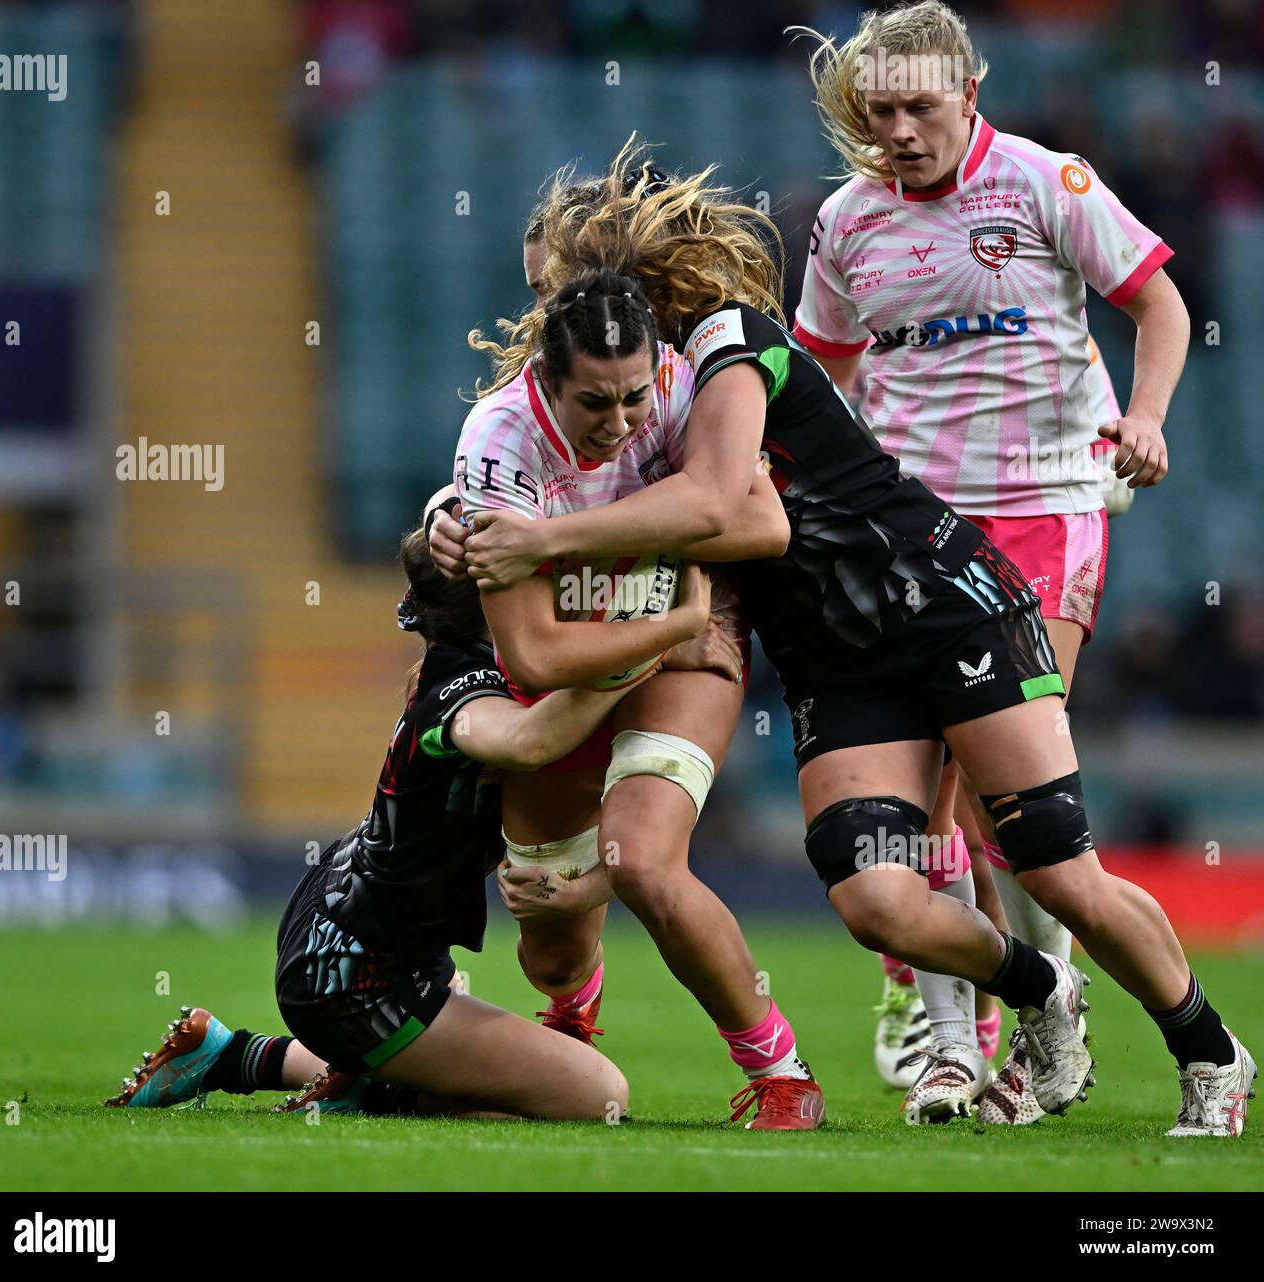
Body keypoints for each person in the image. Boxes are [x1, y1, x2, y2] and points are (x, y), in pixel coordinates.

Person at [461, 138, 1255, 1138]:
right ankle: (1039, 985)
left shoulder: (724, 341)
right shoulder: (634, 401)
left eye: (557, 288)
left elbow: (732, 511)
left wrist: (541, 537)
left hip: (938, 603)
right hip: (835, 659)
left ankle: (1209, 1051)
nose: (546, 313)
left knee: (1048, 864)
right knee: (878, 892)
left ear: (621, 284)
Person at [788, 0, 1186, 1122]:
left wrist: (1146, 417)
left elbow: (1157, 303)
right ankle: (984, 1030)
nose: (900, 130)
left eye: (920, 106)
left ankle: (1028, 1015)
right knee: (948, 803)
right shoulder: (845, 224)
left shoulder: (1043, 183)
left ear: (971, 92)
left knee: (995, 791)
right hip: (914, 528)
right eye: (880, 112)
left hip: (1048, 503)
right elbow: (819, 373)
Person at [106, 523, 714, 1120]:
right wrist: (658, 638)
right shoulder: (463, 692)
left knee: (473, 1041)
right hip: (353, 975)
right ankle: (357, 1081)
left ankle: (233, 1055)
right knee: (596, 1097)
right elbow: (532, 741)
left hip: (356, 933)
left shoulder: (470, 665)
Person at [442, 248, 825, 1129]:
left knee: (642, 859)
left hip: (682, 659)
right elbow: (534, 656)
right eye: (593, 402)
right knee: (549, 936)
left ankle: (783, 1075)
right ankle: (570, 1017)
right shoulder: (498, 443)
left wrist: (554, 541)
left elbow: (764, 524)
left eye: (634, 397)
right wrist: (666, 629)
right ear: (546, 379)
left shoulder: (688, 389)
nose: (620, 424)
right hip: (625, 651)